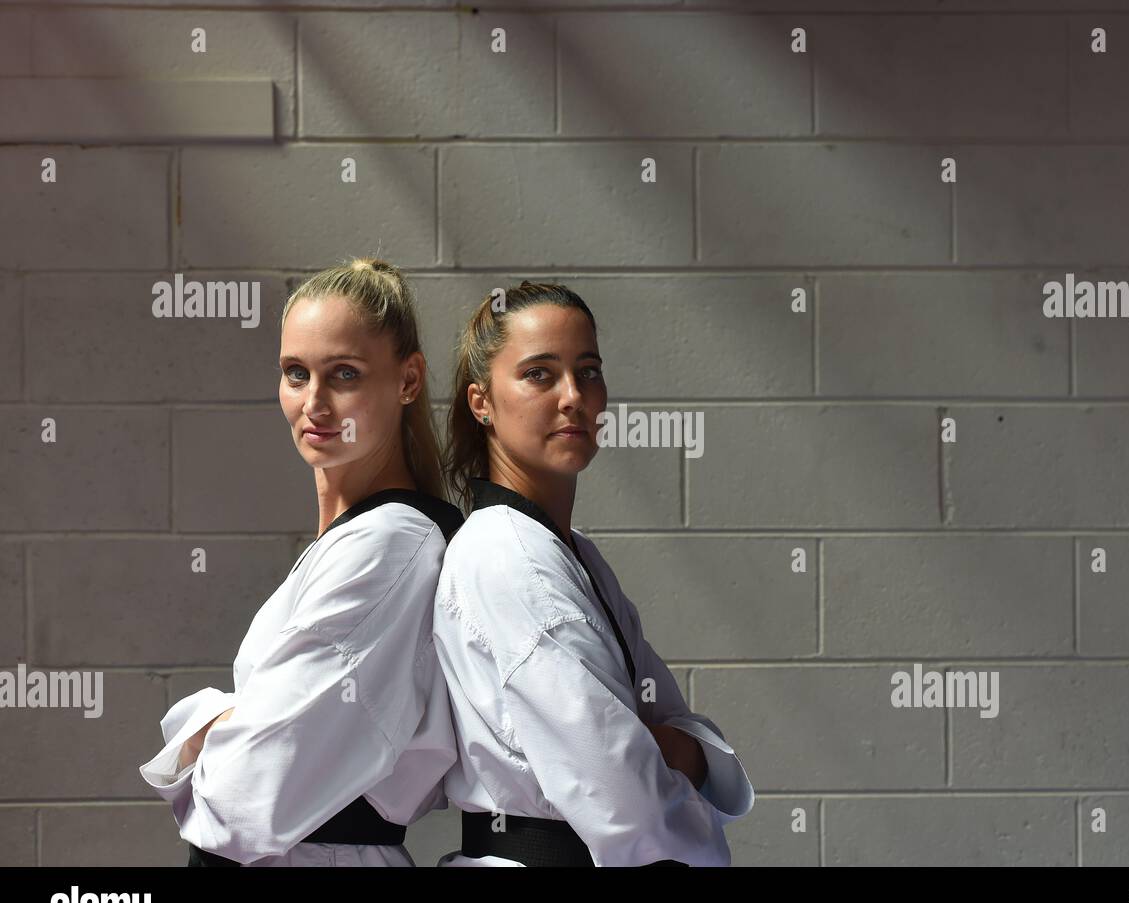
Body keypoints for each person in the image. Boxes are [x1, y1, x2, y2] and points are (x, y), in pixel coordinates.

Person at [139, 258, 463, 866]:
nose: (314, 402)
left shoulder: (391, 544)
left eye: (344, 373)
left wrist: (201, 728)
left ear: (409, 379)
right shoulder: (357, 539)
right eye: (295, 373)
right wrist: (231, 724)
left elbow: (247, 790)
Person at [432, 281, 755, 867]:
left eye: (589, 371)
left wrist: (668, 747)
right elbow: (624, 795)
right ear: (482, 402)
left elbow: (684, 734)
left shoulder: (574, 554)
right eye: (539, 374)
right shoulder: (505, 555)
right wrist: (658, 752)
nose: (573, 396)